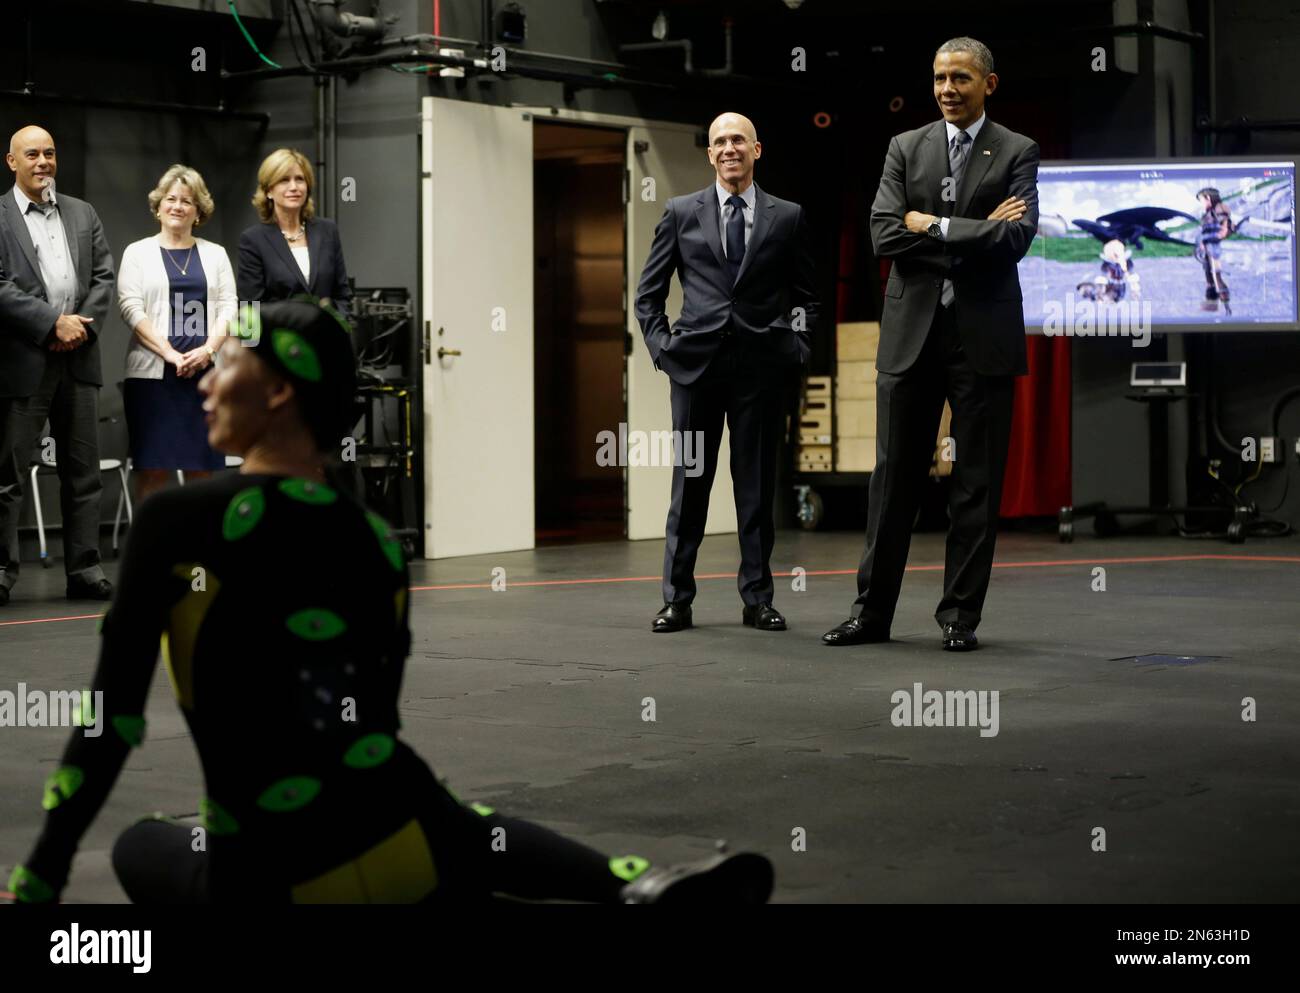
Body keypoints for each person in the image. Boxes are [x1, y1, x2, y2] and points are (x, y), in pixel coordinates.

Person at [6, 299, 774, 904]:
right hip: (408, 845)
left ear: (278, 389)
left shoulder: (176, 522)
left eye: (226, 362)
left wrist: (40, 877)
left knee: (145, 841)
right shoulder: (375, 539)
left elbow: (109, 725)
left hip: (273, 880)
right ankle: (631, 883)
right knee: (450, 814)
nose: (205, 380)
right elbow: (366, 726)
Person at [823, 37, 1039, 653]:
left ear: (988, 85)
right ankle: (871, 615)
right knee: (892, 480)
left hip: (983, 340)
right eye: (940, 77)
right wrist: (974, 231)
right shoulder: (905, 146)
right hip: (910, 336)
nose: (947, 88)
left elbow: (1016, 238)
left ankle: (959, 619)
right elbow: (885, 234)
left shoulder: (1018, 150)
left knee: (976, 483)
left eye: (961, 78)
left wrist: (936, 224)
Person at [634, 111, 818, 634]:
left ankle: (758, 600)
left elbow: (808, 297)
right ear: (710, 154)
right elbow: (647, 295)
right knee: (689, 487)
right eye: (719, 142)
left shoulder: (788, 216)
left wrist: (798, 347)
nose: (729, 148)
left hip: (761, 372)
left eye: (738, 139)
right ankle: (677, 600)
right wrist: (664, 349)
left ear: (757, 150)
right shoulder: (679, 212)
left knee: (756, 491)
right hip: (695, 372)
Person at [0, 125, 117, 607]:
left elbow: (105, 276)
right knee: (8, 475)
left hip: (79, 358)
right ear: (12, 162)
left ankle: (85, 569)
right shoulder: (0, 214)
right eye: (32, 154)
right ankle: (3, 572)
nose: (43, 161)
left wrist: (81, 328)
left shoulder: (82, 212)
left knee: (83, 472)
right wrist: (52, 323)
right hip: (24, 361)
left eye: (49, 152)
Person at [118, 164, 238, 503]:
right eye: (170, 199)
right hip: (153, 379)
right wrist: (170, 355)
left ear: (198, 211)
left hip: (206, 377)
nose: (177, 206)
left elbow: (231, 306)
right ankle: (149, 554)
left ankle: (201, 554)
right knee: (153, 470)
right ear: (158, 206)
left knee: (203, 471)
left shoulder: (215, 254)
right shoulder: (137, 252)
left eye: (187, 201)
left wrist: (208, 352)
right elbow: (130, 308)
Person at [237, 148, 351, 316]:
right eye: (284, 180)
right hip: (279, 339)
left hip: (327, 338)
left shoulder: (328, 231)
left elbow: (342, 295)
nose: (294, 187)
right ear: (268, 191)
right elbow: (250, 308)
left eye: (299, 179)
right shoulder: (253, 240)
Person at [1195, 187, 1233, 314]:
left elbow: (1226, 226)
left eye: (1202, 200)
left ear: (1208, 198)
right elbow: (1203, 231)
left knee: (1216, 276)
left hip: (1213, 247)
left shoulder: (1219, 208)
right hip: (1206, 247)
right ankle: (1211, 305)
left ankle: (1227, 307)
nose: (1201, 203)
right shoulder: (1207, 214)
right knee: (1209, 277)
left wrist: (1221, 234)